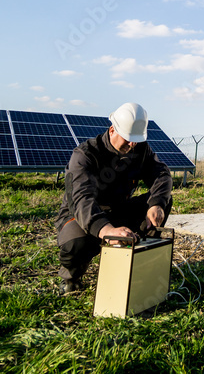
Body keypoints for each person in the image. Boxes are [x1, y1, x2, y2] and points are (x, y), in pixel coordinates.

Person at [55, 102, 173, 292]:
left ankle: (138, 258)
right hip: (82, 215)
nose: (132, 144)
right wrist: (106, 230)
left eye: (135, 139)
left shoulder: (140, 150)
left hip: (118, 210)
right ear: (112, 130)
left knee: (160, 202)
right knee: (76, 242)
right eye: (127, 139)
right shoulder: (85, 156)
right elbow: (81, 200)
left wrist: (156, 203)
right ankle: (71, 279)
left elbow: (162, 174)